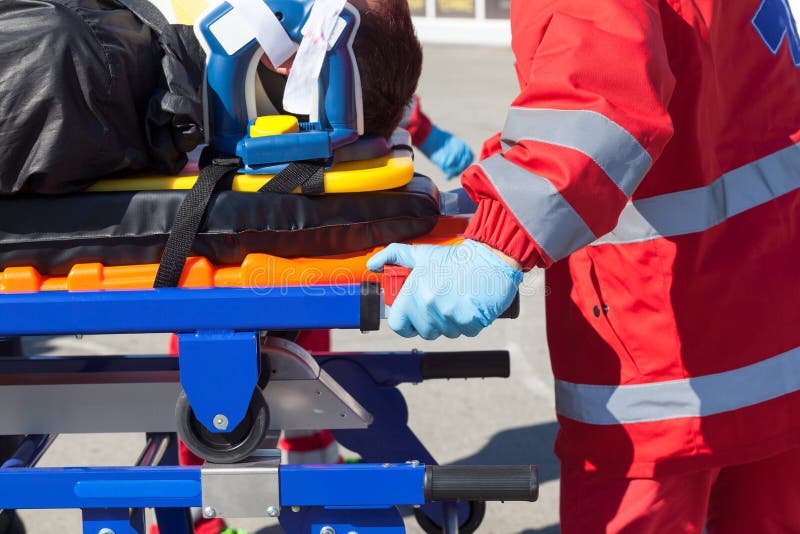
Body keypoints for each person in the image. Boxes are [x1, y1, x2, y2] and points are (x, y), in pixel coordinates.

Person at [368, 0, 800, 531]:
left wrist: (497, 244)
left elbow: (598, 101)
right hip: (774, 339)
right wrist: (490, 196)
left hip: (661, 359)